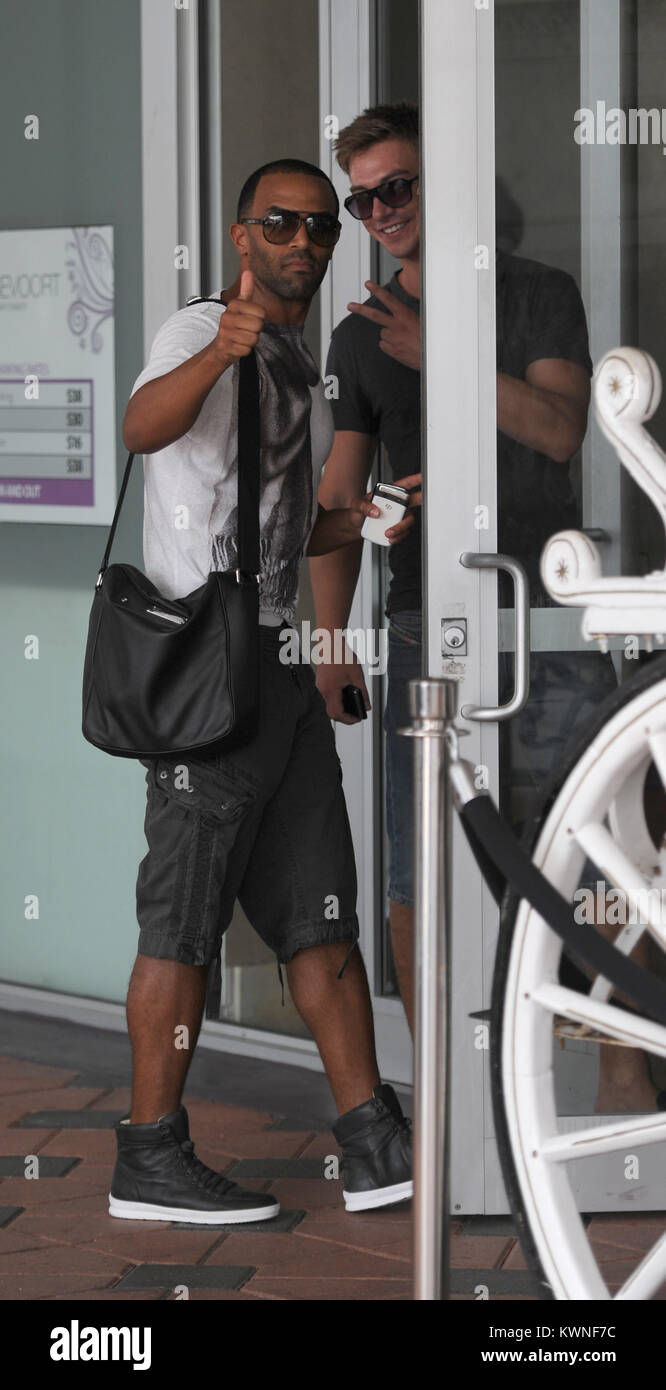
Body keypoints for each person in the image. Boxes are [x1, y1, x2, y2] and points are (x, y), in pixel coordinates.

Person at [310, 105, 654, 1119]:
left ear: (447, 177)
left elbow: (557, 431)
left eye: (399, 188)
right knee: (421, 882)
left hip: (546, 618)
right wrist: (334, 636)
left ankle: (624, 1080)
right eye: (362, 199)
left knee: (597, 858)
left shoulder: (537, 295)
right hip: (427, 627)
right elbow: (339, 505)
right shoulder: (360, 333)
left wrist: (444, 349)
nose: (382, 213)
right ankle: (455, 1111)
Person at [110, 159, 413, 1226]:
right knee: (182, 923)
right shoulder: (203, 330)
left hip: (279, 671)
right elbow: (143, 430)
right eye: (280, 223)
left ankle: (374, 1136)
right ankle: (149, 1153)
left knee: (323, 915)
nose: (303, 240)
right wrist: (218, 354)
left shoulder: (294, 358)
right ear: (243, 237)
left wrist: (372, 516)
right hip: (205, 676)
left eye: (319, 227)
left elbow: (288, 530)